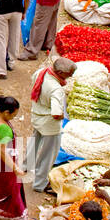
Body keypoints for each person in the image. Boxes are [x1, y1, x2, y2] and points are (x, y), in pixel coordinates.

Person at [30, 58, 74, 193]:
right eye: (69, 74)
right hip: (49, 125)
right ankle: (39, 184)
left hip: (37, 114)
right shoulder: (56, 89)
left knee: (34, 143)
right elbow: (56, 113)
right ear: (60, 72)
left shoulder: (41, 72)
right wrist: (62, 115)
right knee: (48, 155)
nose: (71, 76)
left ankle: (25, 166)